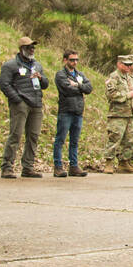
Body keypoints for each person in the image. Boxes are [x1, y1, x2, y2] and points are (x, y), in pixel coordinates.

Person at [0, 36, 49, 178]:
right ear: (22, 49)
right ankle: (7, 166)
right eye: (29, 47)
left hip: (36, 104)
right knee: (16, 134)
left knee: (33, 136)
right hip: (21, 104)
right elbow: (4, 85)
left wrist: (41, 78)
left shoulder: (37, 65)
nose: (32, 50)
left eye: (33, 47)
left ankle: (28, 166)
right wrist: (17, 100)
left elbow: (45, 84)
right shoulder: (10, 65)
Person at [53, 49, 91, 177]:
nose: (74, 62)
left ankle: (73, 166)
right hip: (66, 110)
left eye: (76, 60)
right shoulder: (60, 75)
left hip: (78, 111)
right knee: (60, 139)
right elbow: (67, 89)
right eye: (72, 60)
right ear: (65, 60)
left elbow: (89, 88)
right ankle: (58, 166)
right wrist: (80, 87)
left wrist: (78, 85)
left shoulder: (80, 74)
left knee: (75, 140)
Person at [104, 54, 133, 174]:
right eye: (126, 64)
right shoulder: (114, 77)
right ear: (119, 64)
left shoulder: (129, 78)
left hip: (129, 113)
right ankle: (109, 163)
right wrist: (128, 95)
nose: (128, 67)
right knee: (114, 138)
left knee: (129, 140)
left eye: (130, 65)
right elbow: (111, 94)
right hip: (117, 114)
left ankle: (124, 162)